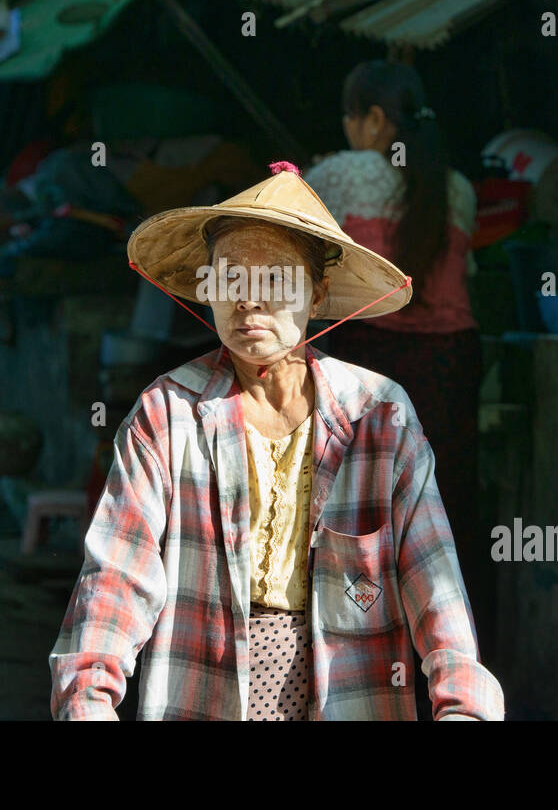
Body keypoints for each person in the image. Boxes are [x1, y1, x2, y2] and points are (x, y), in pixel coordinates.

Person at [49, 162, 504, 720]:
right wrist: (87, 702)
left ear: (317, 295)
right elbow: (116, 582)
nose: (249, 300)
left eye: (275, 279)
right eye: (229, 278)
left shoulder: (380, 417)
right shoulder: (166, 415)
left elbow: (437, 590)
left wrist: (463, 707)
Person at [304, 61, 480, 557]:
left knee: (366, 503)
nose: (348, 128)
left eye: (351, 117)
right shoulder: (459, 188)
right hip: (451, 362)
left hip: (371, 360)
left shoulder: (343, 172)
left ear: (376, 120)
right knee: (443, 503)